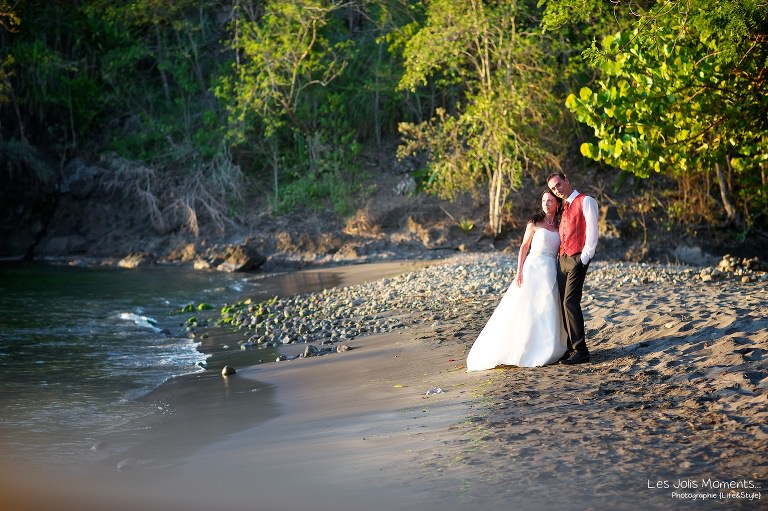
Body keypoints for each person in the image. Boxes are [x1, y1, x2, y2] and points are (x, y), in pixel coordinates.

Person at [466, 191, 568, 370]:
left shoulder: (560, 224)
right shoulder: (535, 222)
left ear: (558, 203)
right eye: (544, 200)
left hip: (551, 268)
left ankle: (547, 345)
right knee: (525, 305)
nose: (546, 204)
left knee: (547, 306)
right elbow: (524, 246)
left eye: (550, 201)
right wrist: (519, 269)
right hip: (533, 266)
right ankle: (519, 347)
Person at [546, 172, 599, 365]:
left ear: (567, 180)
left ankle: (581, 350)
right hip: (563, 259)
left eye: (558, 185)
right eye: (553, 188)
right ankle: (570, 348)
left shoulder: (586, 201)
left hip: (578, 257)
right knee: (562, 303)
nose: (557, 190)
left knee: (570, 302)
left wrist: (584, 258)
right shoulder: (563, 207)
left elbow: (592, 233)